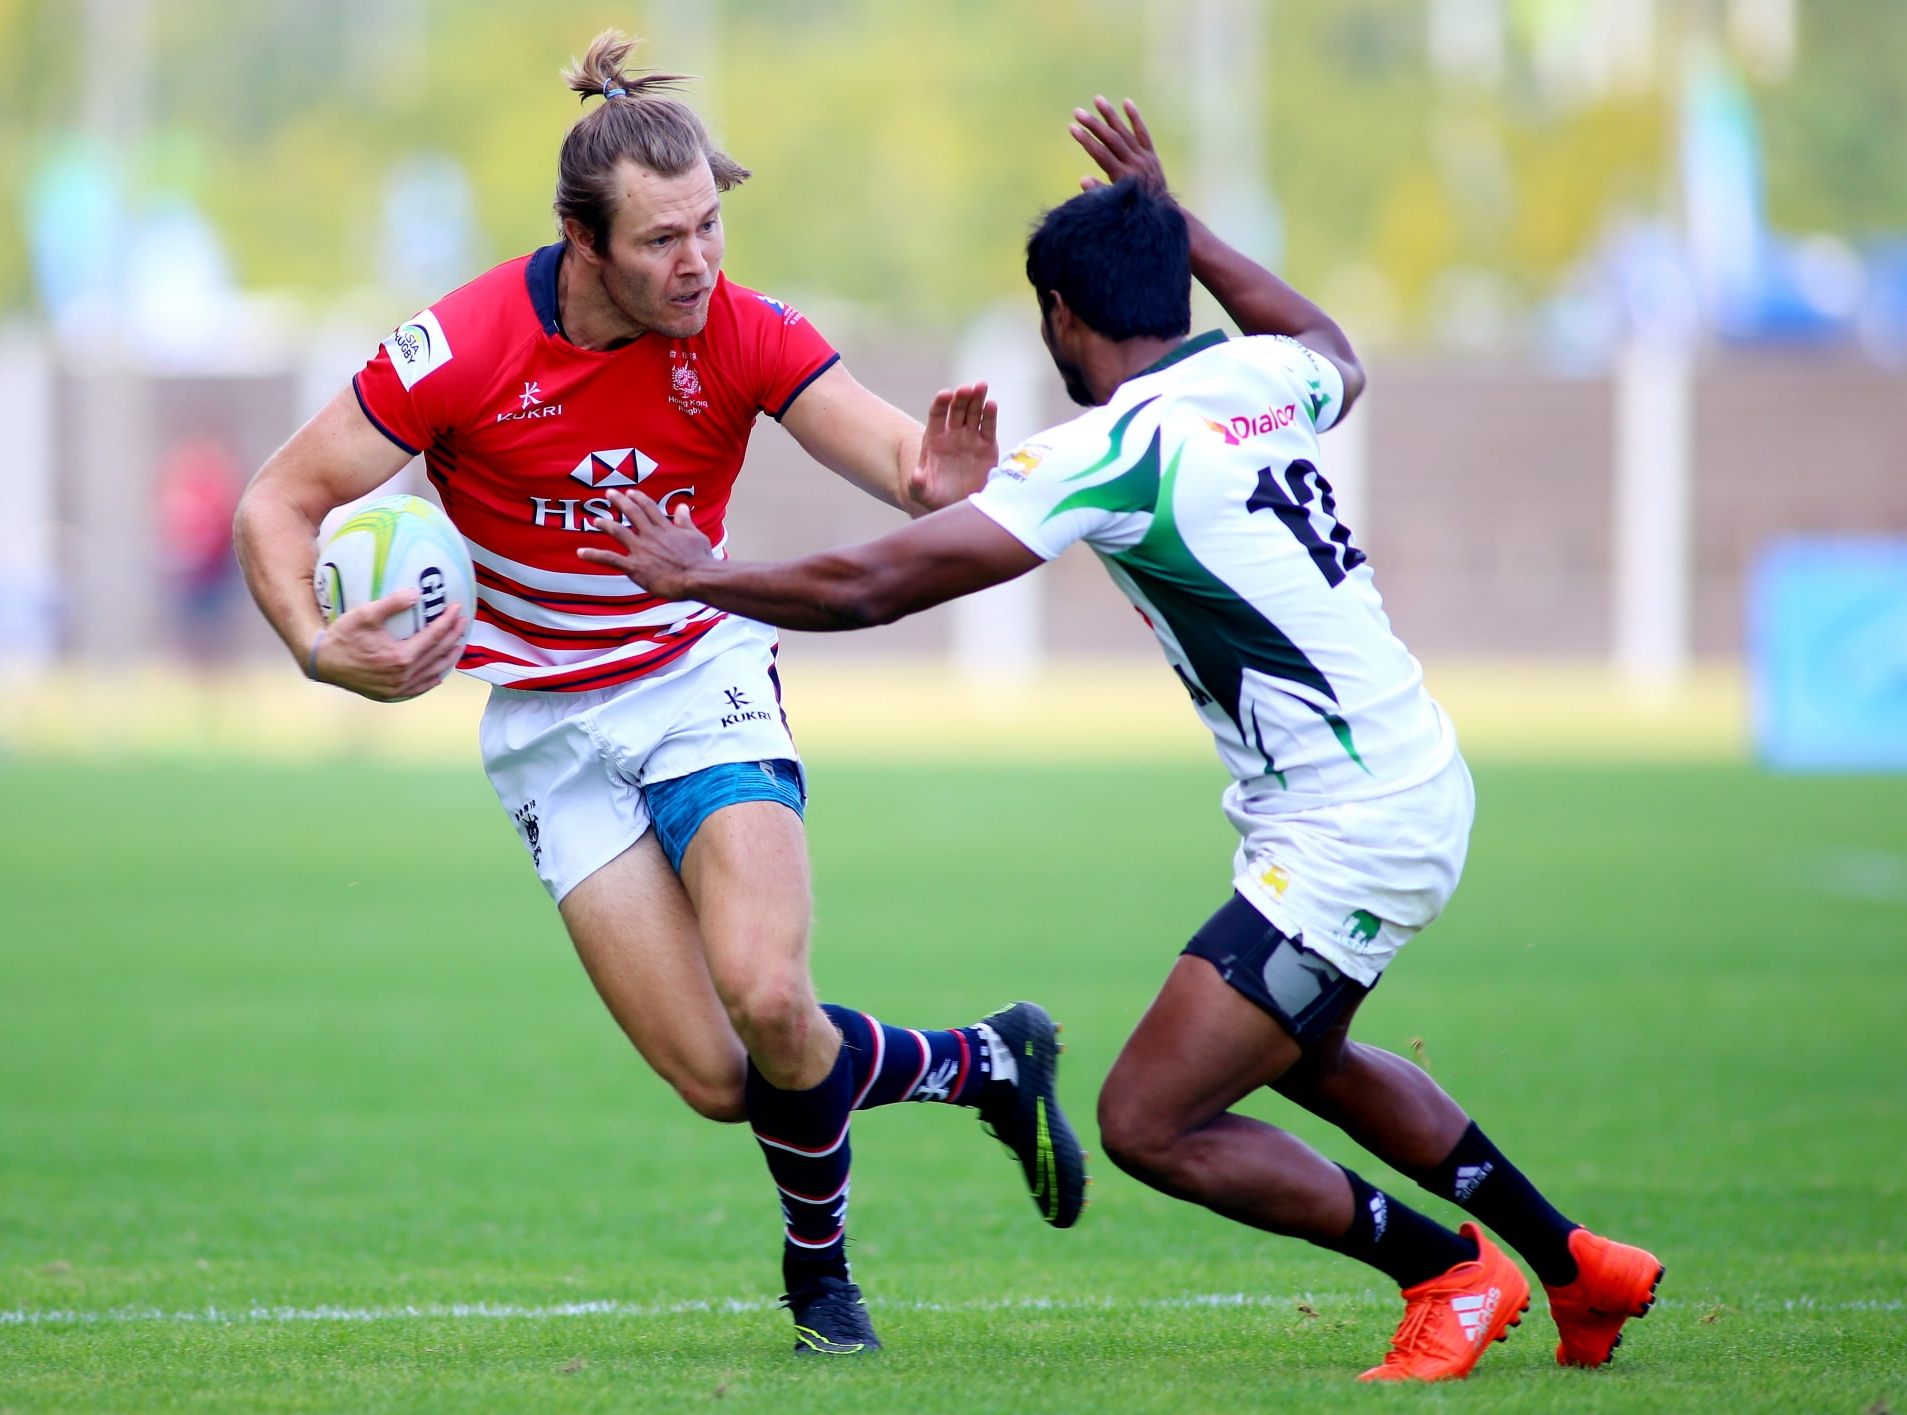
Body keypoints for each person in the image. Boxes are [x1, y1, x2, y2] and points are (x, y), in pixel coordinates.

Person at [582, 97, 1665, 1383]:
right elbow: (1331, 342)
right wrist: (1180, 222)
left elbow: (873, 586)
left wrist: (703, 576)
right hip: (1401, 779)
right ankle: (1570, 1260)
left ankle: (1444, 1270)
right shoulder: (1262, 374)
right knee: (1303, 1054)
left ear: (1060, 321)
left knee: (1149, 1117)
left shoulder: (1114, 448)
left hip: (1351, 830)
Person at [232, 32, 1085, 1357]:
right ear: (583, 243)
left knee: (770, 993)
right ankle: (983, 1059)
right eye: (663, 241)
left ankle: (822, 1280)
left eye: (711, 227)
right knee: (718, 1077)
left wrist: (941, 477)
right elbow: (278, 498)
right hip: (548, 730)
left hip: (700, 677)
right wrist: (311, 642)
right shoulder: (459, 346)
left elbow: (900, 461)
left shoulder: (741, 330)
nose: (699, 262)